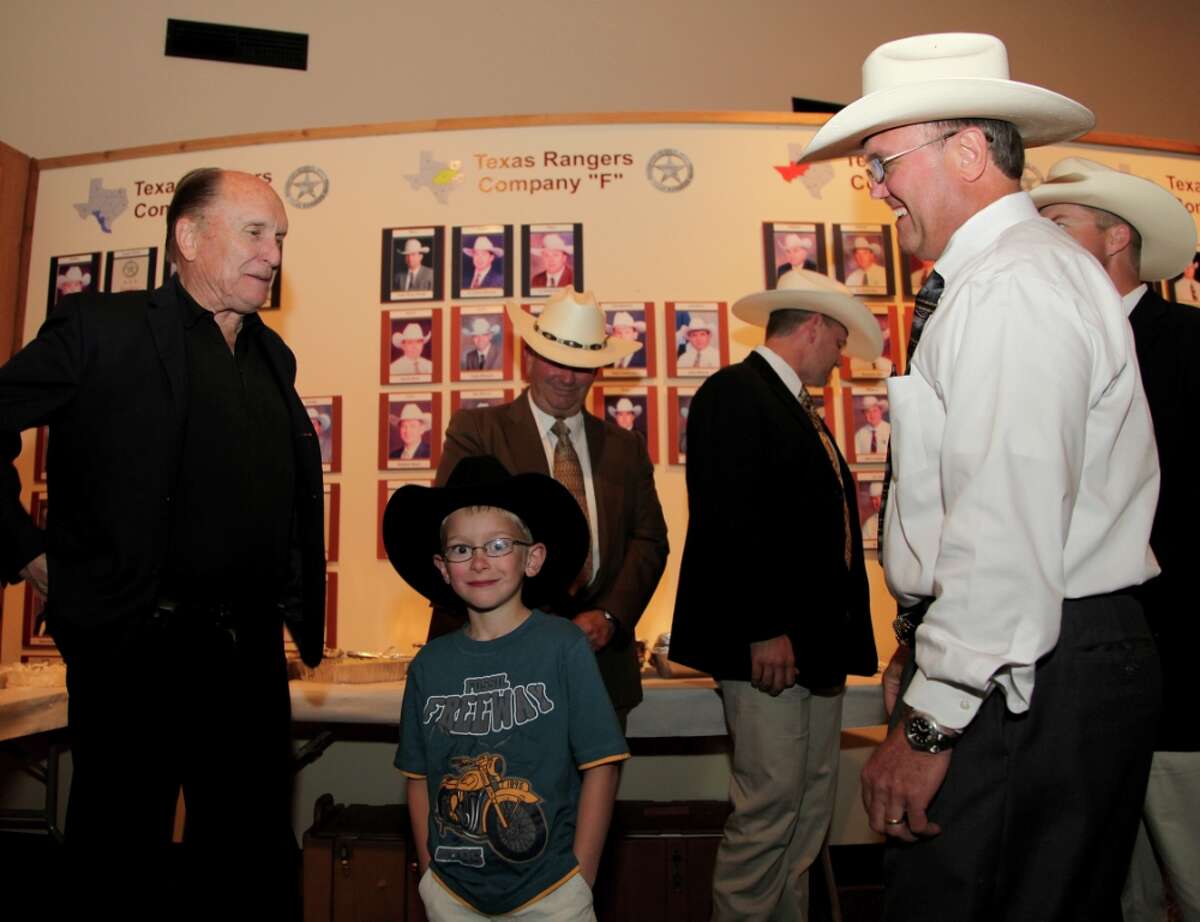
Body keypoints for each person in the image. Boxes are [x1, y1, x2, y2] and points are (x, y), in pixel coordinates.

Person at [799, 33, 1161, 922]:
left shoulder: (1012, 288)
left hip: (1035, 668)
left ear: (966, 152)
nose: (877, 190)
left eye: (883, 163)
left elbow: (1005, 530)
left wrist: (931, 721)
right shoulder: (1006, 279)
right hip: (1030, 658)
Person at [0, 168, 325, 919]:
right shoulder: (99, 328)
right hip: (133, 650)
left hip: (246, 656)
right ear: (186, 235)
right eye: (255, 232)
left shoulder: (272, 358)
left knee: (250, 865)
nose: (274, 254)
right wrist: (25, 547)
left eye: (280, 238)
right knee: (119, 860)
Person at [669, 269, 881, 921]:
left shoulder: (788, 405)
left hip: (812, 651)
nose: (841, 358)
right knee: (768, 815)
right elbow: (729, 519)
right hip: (773, 651)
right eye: (839, 341)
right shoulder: (736, 394)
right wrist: (763, 627)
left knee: (807, 811)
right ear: (813, 326)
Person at [1030, 156, 1200, 922]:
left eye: (1059, 226)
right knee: (1105, 893)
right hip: (1078, 688)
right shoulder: (1045, 351)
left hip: (1181, 677)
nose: (1042, 244)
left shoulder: (1187, 343)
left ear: (1117, 237)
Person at [388, 455, 628, 920]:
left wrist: (583, 875)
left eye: (498, 545)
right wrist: (429, 873)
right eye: (461, 549)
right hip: (453, 895)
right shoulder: (428, 664)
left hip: (554, 893)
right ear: (442, 567)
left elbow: (602, 764)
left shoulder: (563, 647)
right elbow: (417, 776)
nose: (478, 561)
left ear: (532, 558)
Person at [431, 288, 669, 725]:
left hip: (600, 668)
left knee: (595, 788)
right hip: (496, 664)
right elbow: (452, 535)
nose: (567, 377)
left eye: (581, 366)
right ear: (528, 357)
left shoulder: (626, 447)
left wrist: (610, 616)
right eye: (556, 360)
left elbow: (649, 539)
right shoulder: (478, 432)